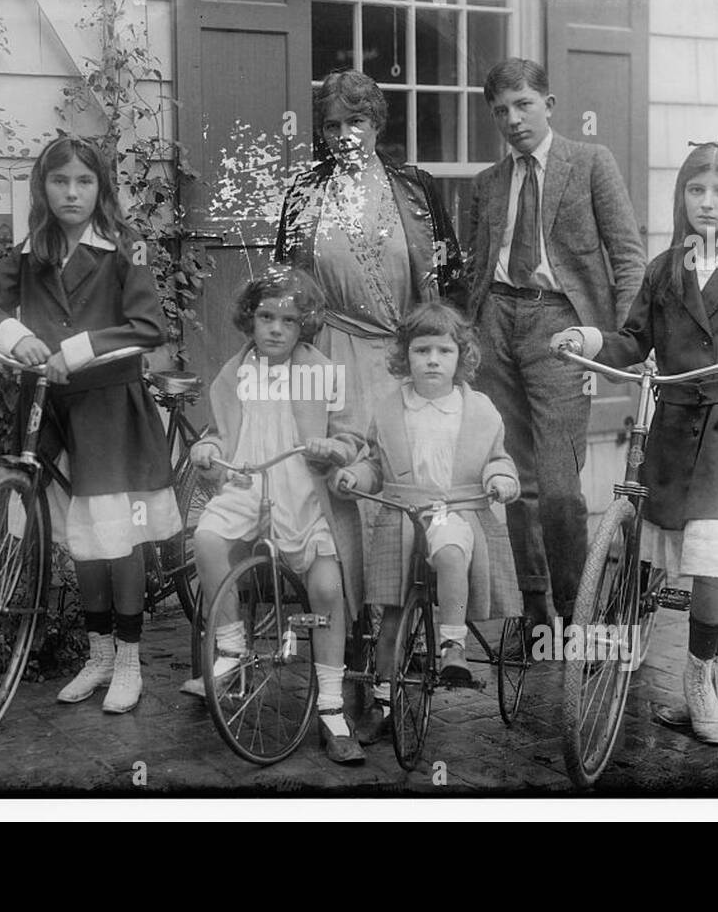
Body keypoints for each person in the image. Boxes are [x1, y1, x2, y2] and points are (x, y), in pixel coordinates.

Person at [550, 137, 718, 744]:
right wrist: (589, 342)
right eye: (696, 189)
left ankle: (699, 681)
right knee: (717, 561)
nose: (707, 201)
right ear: (682, 196)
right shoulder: (665, 268)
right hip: (678, 432)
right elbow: (631, 342)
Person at [0, 135, 181, 715]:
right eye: (60, 182)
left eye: (84, 182)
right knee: (83, 541)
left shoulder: (125, 250)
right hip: (49, 412)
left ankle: (130, 661)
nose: (72, 193)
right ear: (43, 187)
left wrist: (75, 349)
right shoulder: (31, 251)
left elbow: (148, 327)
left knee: (117, 539)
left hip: (109, 410)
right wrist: (20, 336)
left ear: (101, 187)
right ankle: (99, 654)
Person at [458, 58, 645, 637]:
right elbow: (473, 267)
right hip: (495, 321)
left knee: (561, 483)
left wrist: (629, 340)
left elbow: (628, 258)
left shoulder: (590, 163)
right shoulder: (487, 184)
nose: (513, 120)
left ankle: (577, 614)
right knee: (512, 475)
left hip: (560, 327)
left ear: (549, 104)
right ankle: (533, 610)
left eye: (524, 105)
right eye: (501, 111)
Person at [182, 268, 368, 764]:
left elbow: (354, 436)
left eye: (289, 319)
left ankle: (331, 708)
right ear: (251, 319)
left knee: (326, 588)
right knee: (207, 538)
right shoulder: (233, 372)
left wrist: (335, 446)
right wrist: (208, 447)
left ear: (304, 325)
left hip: (303, 494)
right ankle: (232, 649)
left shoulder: (323, 372)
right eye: (266, 316)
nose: (276, 329)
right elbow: (221, 432)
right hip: (248, 484)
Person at [334, 301, 521, 743]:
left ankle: (453, 645)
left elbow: (498, 459)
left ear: (461, 357)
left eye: (443, 351)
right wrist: (354, 475)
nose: (432, 360)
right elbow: (374, 463)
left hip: (452, 509)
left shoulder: (478, 410)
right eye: (421, 351)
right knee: (393, 618)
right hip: (402, 514)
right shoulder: (390, 408)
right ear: (405, 356)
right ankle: (382, 699)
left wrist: (500, 480)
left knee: (453, 551)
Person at [275, 69, 463, 432]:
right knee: (336, 461)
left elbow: (449, 278)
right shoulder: (305, 193)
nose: (344, 136)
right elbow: (285, 287)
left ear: (376, 122)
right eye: (332, 126)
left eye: (356, 121)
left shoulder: (415, 188)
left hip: (406, 353)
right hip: (331, 354)